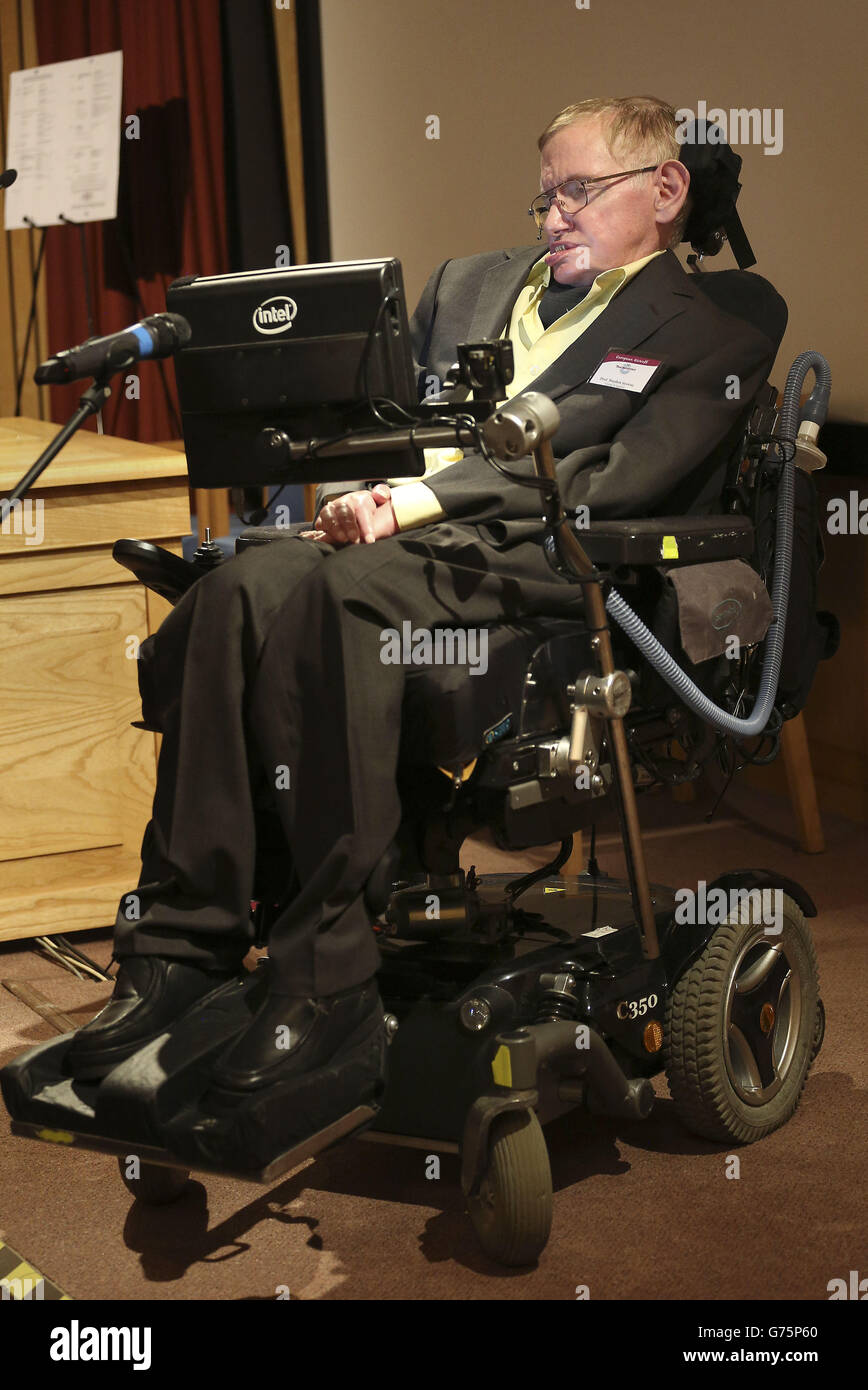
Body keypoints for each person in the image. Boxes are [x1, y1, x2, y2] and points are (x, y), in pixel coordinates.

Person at [63, 97, 783, 1134]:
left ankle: (329, 982)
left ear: (663, 192)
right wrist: (341, 480)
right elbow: (384, 421)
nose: (553, 216)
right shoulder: (472, 288)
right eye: (545, 195)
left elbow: (614, 480)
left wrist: (418, 501)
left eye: (578, 192)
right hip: (392, 545)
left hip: (541, 572)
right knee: (235, 591)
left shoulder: (715, 331)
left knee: (339, 599)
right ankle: (182, 943)